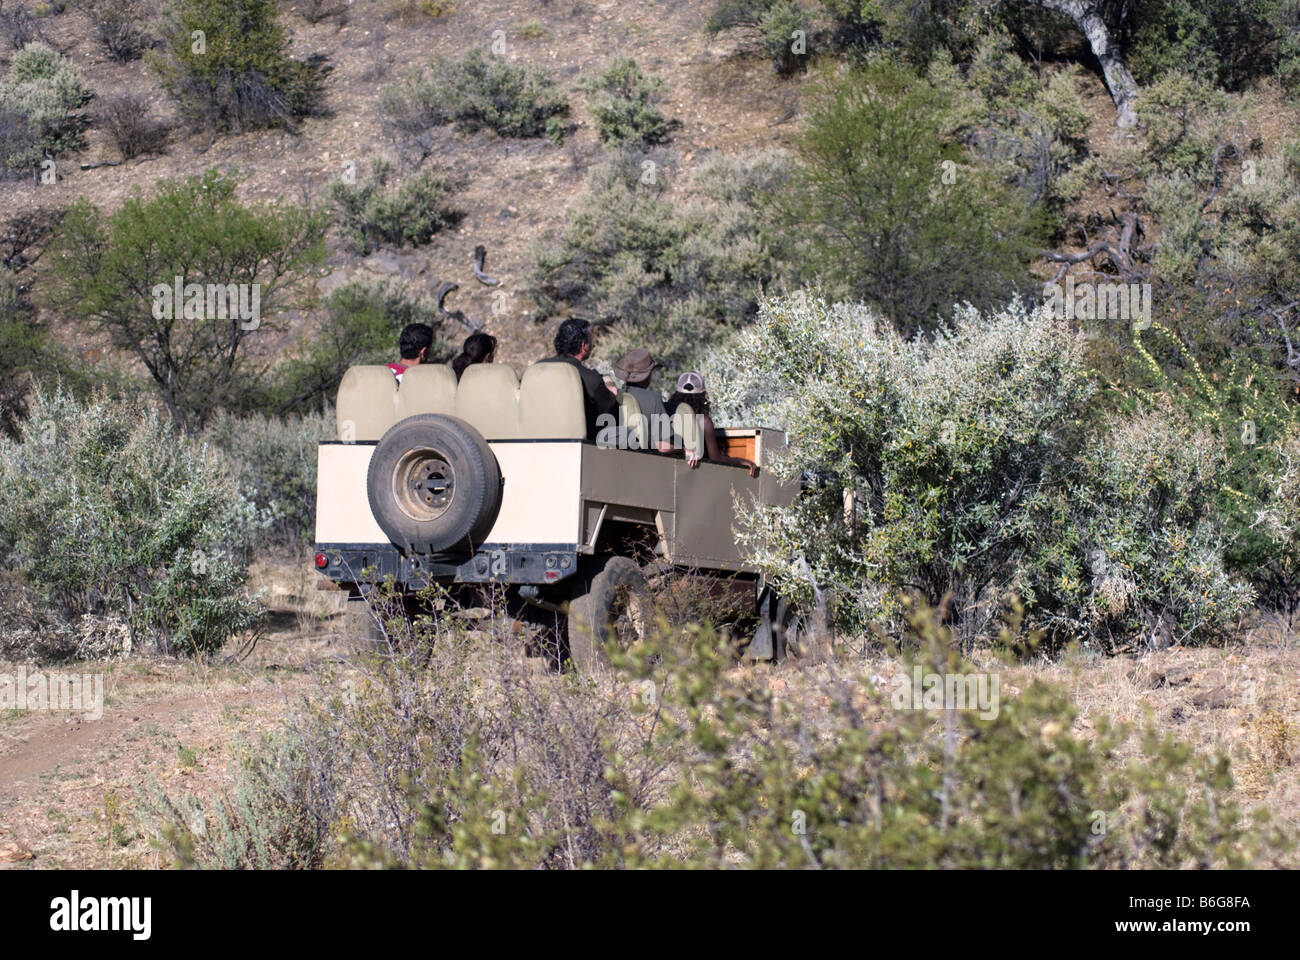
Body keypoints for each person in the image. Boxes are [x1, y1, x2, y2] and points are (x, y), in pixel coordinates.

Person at [538, 317, 617, 442]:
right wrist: (612, 391)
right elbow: (608, 409)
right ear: (583, 346)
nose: (593, 344)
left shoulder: (535, 369)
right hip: (577, 448)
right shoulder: (592, 379)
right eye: (591, 340)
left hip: (534, 441)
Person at [667, 372, 758, 476]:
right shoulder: (703, 421)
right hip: (694, 474)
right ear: (702, 396)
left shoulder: (668, 415)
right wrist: (741, 461)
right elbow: (715, 458)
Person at [613, 348, 674, 453]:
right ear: (647, 375)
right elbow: (664, 446)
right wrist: (684, 450)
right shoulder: (653, 399)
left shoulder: (614, 395)